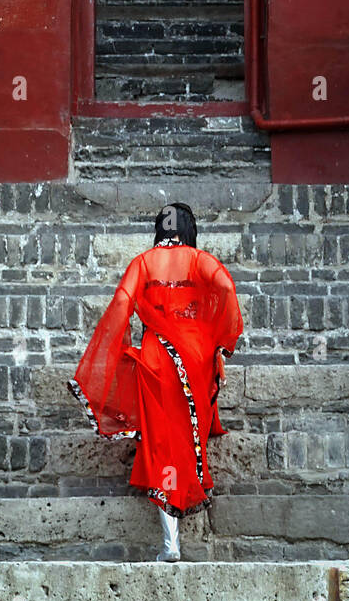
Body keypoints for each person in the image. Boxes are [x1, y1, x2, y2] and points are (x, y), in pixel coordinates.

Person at [68, 202, 243, 562]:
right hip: (193, 361)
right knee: (182, 442)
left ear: (160, 229)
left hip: (156, 361)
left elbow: (120, 304)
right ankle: (174, 534)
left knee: (161, 445)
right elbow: (225, 286)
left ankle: (170, 543)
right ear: (187, 229)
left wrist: (116, 349)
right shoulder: (199, 260)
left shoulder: (144, 263)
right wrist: (220, 343)